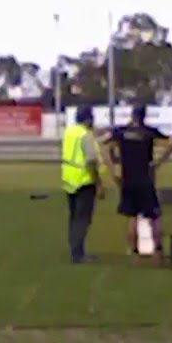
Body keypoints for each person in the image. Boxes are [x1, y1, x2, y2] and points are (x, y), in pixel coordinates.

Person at [105, 104, 172, 255]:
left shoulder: (121, 132)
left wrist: (113, 166)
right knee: (153, 215)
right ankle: (158, 246)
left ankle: (133, 248)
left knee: (131, 215)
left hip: (127, 177)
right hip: (145, 177)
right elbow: (170, 144)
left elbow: (107, 147)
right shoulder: (148, 132)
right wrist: (158, 162)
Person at [61, 105, 103, 264]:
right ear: (88, 118)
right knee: (83, 219)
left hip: (69, 180)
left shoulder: (70, 132)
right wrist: (98, 182)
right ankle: (78, 254)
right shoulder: (86, 135)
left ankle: (74, 249)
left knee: (73, 218)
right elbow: (91, 160)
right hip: (84, 181)